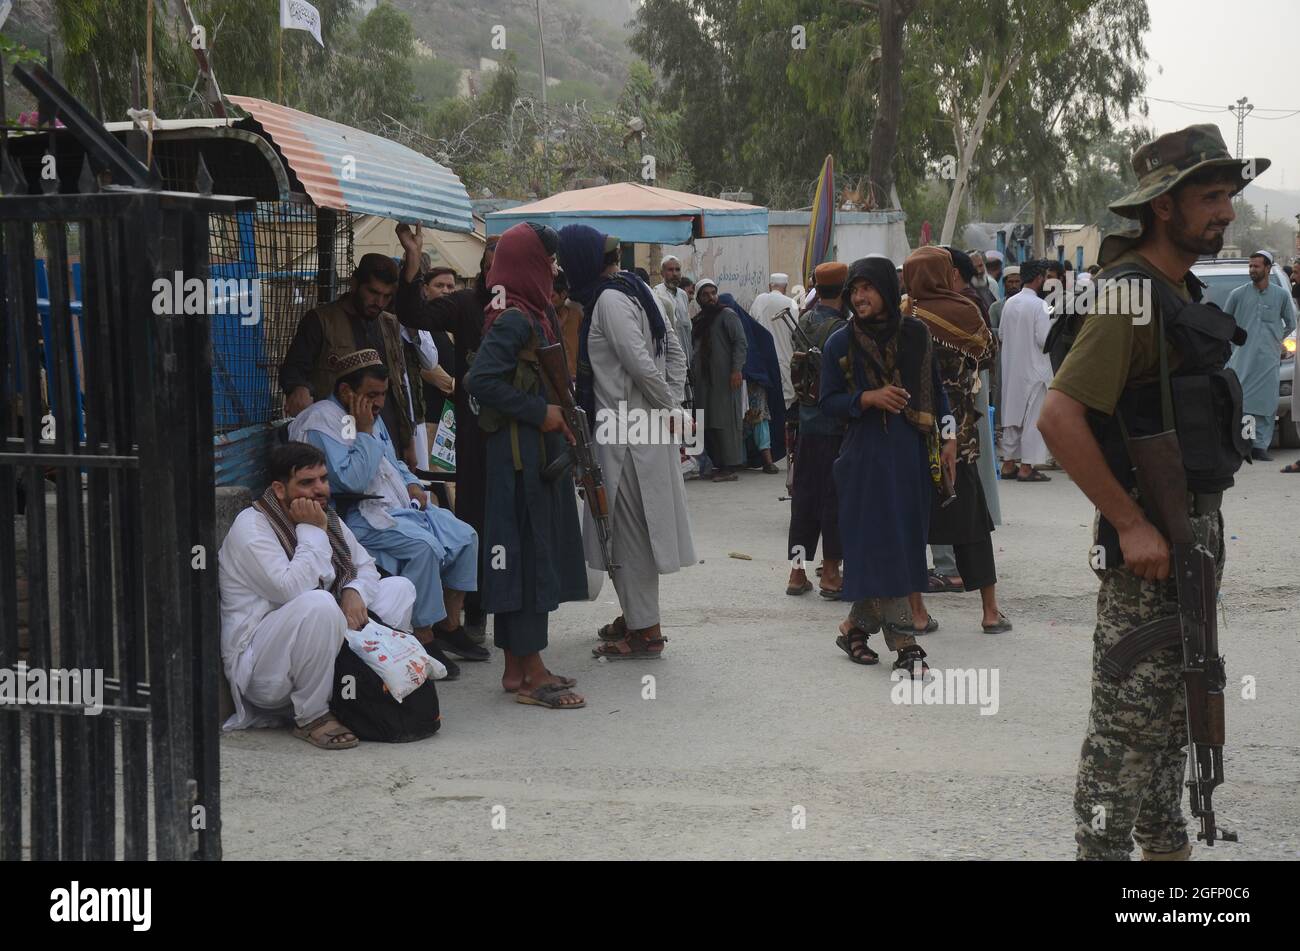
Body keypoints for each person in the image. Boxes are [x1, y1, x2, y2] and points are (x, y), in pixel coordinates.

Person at [1037, 123, 1268, 860]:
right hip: (1149, 556)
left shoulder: (1175, 291)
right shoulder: (1131, 295)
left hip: (1191, 542)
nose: (1226, 211)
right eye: (1210, 195)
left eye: (1229, 195)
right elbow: (1058, 417)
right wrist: (1131, 525)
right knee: (1125, 742)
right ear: (1163, 205)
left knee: (1174, 724)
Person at [288, 351, 482, 676]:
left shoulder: (368, 415)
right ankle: (423, 634)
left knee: (466, 536)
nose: (378, 403)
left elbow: (392, 462)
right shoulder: (322, 422)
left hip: (399, 507)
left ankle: (449, 625)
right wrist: (363, 431)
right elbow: (351, 479)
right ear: (348, 391)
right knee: (425, 549)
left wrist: (412, 483)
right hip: (358, 516)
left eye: (382, 395)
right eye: (372, 395)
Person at [218, 442, 419, 749]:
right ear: (279, 489)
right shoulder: (252, 528)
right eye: (307, 483)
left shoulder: (327, 518)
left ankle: (373, 686)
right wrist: (311, 532)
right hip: (265, 671)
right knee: (319, 603)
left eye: (323, 479)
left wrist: (353, 591)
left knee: (399, 589)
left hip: (324, 649)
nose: (320, 490)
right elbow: (289, 589)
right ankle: (312, 717)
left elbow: (365, 568)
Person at [558, 225, 696, 659]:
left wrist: (669, 410)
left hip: (626, 438)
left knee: (628, 533)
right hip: (636, 430)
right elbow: (674, 353)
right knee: (616, 530)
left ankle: (646, 633)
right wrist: (670, 403)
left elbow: (641, 364)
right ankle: (635, 616)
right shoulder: (636, 289)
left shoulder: (610, 301)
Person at [465, 221, 588, 709]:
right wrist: (542, 413)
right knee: (532, 555)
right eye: (548, 260)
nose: (553, 269)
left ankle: (517, 669)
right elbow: (480, 382)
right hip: (522, 460)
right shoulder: (518, 318)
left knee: (515, 555)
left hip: (522, 457)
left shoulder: (518, 311)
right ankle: (532, 670)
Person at [823, 256, 955, 677]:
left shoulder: (916, 334)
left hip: (910, 456)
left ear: (885, 289)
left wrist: (949, 436)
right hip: (864, 457)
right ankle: (904, 641)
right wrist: (867, 399)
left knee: (901, 541)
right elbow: (826, 403)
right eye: (854, 290)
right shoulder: (840, 343)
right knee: (884, 543)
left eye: (868, 288)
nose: (859, 297)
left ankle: (854, 628)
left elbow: (936, 389)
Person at [394, 225, 497, 640]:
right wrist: (414, 260)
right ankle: (473, 617)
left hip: (518, 436)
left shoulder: (529, 308)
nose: (496, 274)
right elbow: (413, 315)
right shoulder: (465, 304)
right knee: (474, 519)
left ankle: (515, 618)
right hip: (474, 433)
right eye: (490, 265)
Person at [904, 246, 1010, 632]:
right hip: (958, 431)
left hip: (912, 432)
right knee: (973, 523)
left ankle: (916, 613)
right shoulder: (967, 310)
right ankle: (990, 613)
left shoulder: (902, 313)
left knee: (912, 526)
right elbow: (987, 354)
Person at [279, 253, 414, 456]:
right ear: (354, 283)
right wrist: (299, 388)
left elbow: (399, 386)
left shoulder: (389, 323)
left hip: (387, 436)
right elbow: (294, 370)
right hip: (339, 437)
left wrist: (407, 441)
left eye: (387, 296)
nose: (379, 302)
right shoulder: (321, 321)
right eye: (373, 292)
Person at [785, 261, 848, 599]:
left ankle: (797, 573)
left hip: (807, 424)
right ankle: (831, 574)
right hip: (835, 426)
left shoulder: (804, 320)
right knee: (834, 500)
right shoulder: (842, 329)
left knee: (805, 501)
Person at [1224, 251, 1296, 462]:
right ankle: (1243, 444)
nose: (1252, 270)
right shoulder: (1237, 294)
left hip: (1269, 359)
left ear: (1267, 268)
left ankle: (1260, 446)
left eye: (1256, 266)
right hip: (1242, 358)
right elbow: (1226, 323)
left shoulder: (1281, 295)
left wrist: (1276, 341)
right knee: (1242, 401)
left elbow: (1291, 324)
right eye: (1250, 266)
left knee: (1266, 402)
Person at [998, 259, 1055, 481]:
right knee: (1033, 419)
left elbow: (1002, 335)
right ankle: (1026, 467)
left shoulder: (1010, 303)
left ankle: (1008, 464)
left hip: (1013, 369)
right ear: (1040, 278)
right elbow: (1044, 339)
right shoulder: (1040, 305)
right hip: (1035, 371)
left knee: (1012, 417)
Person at [720, 292, 787, 475]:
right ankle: (742, 459)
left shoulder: (753, 331)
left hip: (753, 383)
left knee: (759, 419)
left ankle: (766, 460)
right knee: (740, 421)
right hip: (734, 384)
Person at [690, 278, 747, 482]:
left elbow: (740, 343)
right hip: (704, 381)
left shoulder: (727, 315)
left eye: (713, 293)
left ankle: (729, 466)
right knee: (708, 421)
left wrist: (736, 370)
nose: (711, 298)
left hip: (725, 379)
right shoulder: (699, 321)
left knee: (725, 421)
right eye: (705, 295)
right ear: (699, 298)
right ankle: (717, 464)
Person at [750, 273, 798, 413]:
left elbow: (753, 328)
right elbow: (795, 335)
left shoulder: (760, 300)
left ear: (770, 286)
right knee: (784, 406)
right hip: (785, 362)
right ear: (786, 287)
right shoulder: (791, 303)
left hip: (763, 362)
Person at [652, 254, 694, 366]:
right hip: (669, 354)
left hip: (686, 351)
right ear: (662, 273)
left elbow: (687, 325)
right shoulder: (657, 293)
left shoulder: (683, 295)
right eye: (670, 270)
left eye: (677, 270)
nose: (674, 274)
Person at [989, 266, 1021, 332]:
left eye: (1017, 282)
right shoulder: (995, 307)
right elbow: (991, 331)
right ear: (1004, 283)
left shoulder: (1028, 304)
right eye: (1010, 282)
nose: (1014, 285)